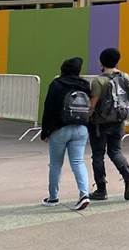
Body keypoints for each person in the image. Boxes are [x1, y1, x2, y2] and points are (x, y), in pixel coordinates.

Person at [39, 57, 92, 210]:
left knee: (56, 164)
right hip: (81, 128)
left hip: (60, 128)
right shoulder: (84, 85)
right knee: (78, 161)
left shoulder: (56, 84)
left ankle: (53, 198)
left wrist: (45, 131)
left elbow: (48, 108)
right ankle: (84, 194)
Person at [88, 47, 129, 202]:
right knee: (115, 151)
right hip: (119, 121)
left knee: (98, 155)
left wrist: (85, 118)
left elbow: (92, 105)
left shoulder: (98, 81)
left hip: (100, 124)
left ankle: (101, 190)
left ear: (101, 61)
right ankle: (127, 175)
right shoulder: (126, 78)